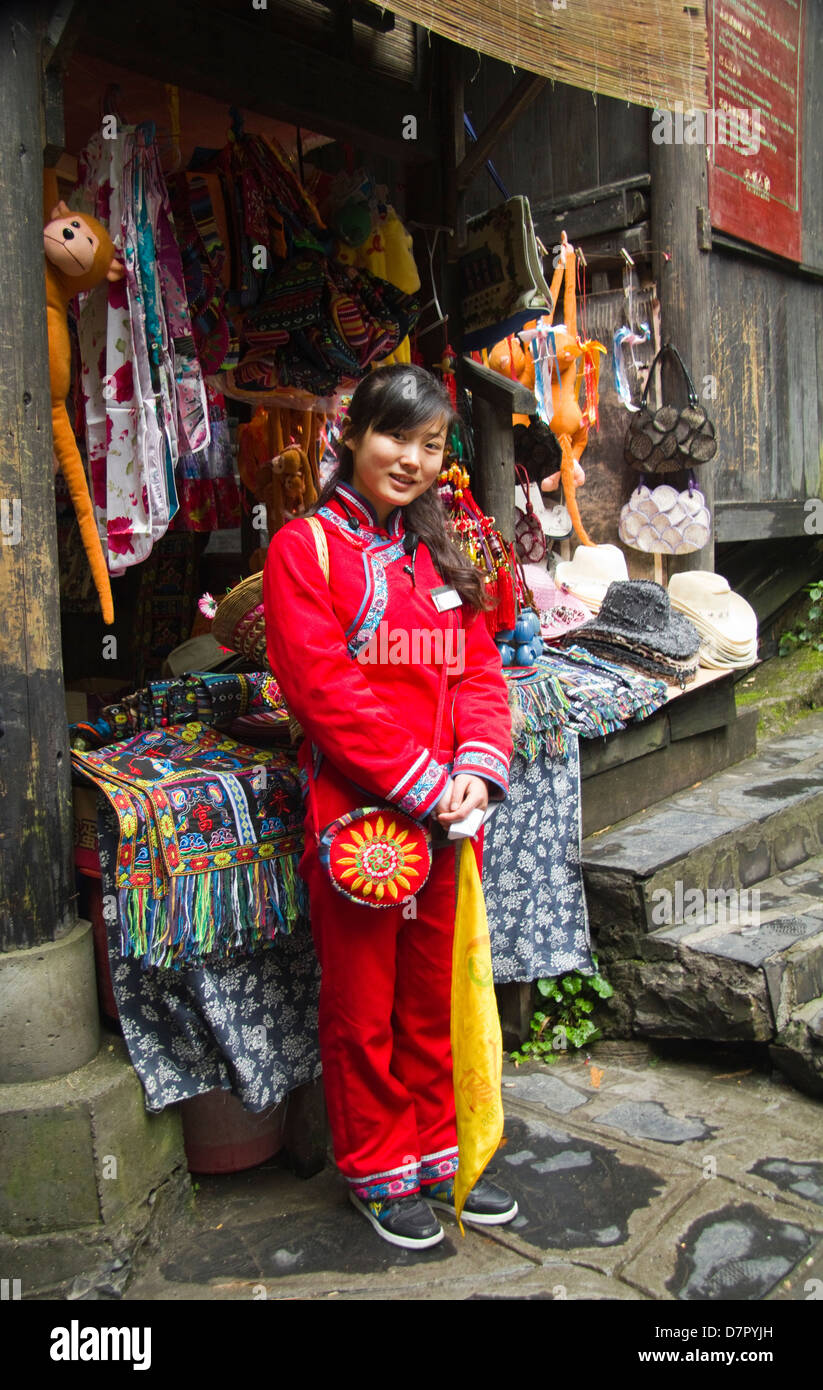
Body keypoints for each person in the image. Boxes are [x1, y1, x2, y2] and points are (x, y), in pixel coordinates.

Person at [264, 364, 517, 1250]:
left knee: (430, 998)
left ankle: (440, 1152)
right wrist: (421, 781)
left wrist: (477, 775)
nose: (411, 459)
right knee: (361, 1010)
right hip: (362, 825)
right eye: (394, 437)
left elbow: (481, 671)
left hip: (449, 823)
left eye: (431, 444)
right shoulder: (307, 549)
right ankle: (377, 1168)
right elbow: (324, 692)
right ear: (351, 435)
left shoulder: (437, 550)